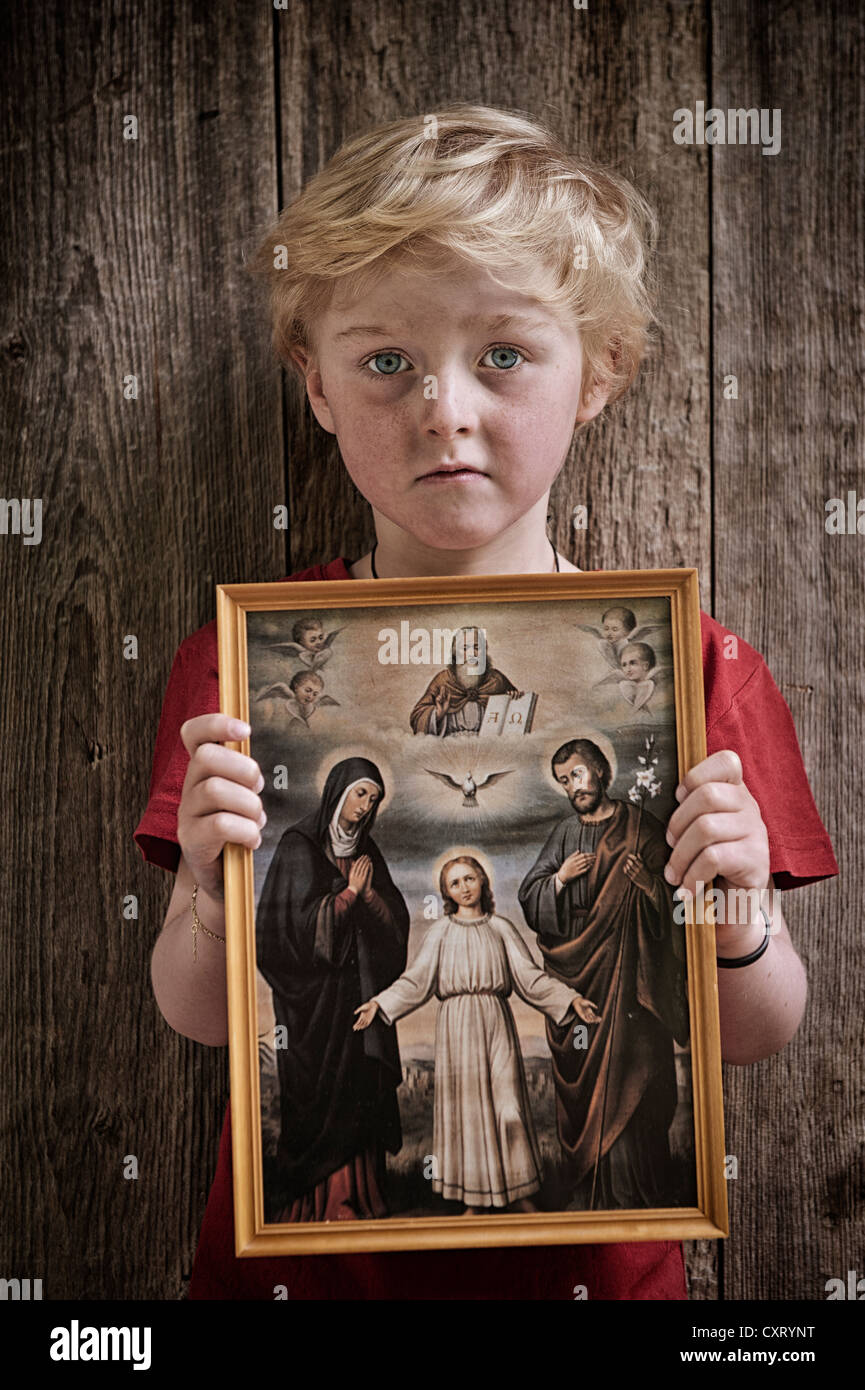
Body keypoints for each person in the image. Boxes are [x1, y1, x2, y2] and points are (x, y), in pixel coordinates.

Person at [134, 103, 838, 1299]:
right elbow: (203, 1019)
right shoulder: (237, 666)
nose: (443, 410)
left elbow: (763, 1030)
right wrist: (208, 895)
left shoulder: (697, 669)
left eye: (503, 355)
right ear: (315, 386)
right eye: (385, 361)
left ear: (599, 374)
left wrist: (736, 918)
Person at [354, 856, 600, 1213]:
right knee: (468, 1114)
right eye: (455, 883)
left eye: (470, 878)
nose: (464, 887)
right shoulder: (440, 932)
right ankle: (474, 1201)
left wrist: (571, 999)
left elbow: (530, 978)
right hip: (457, 1027)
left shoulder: (500, 928)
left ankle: (519, 1193)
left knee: (510, 1108)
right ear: (447, 893)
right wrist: (379, 1004)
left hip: (496, 1021)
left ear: (483, 881)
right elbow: (416, 981)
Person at [518, 739, 689, 1210]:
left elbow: (680, 902)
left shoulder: (640, 829)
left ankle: (636, 1196)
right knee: (585, 1086)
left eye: (577, 774)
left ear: (599, 770)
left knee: (632, 1083)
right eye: (564, 781)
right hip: (579, 980)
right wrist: (560, 879)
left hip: (632, 986)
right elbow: (531, 898)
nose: (573, 786)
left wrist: (649, 888)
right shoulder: (563, 836)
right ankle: (589, 1198)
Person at [254, 757, 410, 1221]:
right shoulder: (298, 847)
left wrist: (367, 895)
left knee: (359, 1090)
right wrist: (345, 897)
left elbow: (395, 927)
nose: (365, 806)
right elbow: (282, 932)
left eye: (374, 799)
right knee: (317, 1097)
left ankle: (357, 1197)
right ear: (339, 791)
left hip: (358, 999)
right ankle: (316, 1201)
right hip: (312, 1006)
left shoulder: (369, 856)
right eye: (361, 793)